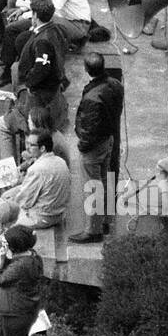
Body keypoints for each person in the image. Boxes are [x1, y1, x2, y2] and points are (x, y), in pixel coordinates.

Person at [69, 52, 124, 243]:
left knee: (92, 186)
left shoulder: (93, 96)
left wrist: (83, 146)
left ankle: (93, 230)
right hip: (109, 139)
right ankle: (105, 220)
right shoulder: (115, 85)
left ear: (86, 69)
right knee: (104, 180)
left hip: (94, 145)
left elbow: (90, 128)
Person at [2, 111, 71, 230]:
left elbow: (25, 201)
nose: (27, 148)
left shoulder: (37, 169)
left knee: (2, 211)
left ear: (43, 148)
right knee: (7, 195)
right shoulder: (59, 161)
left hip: (41, 216)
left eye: (31, 145)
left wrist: (8, 202)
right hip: (58, 212)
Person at [0, 224, 44, 336]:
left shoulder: (18, 268)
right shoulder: (33, 256)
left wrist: (2, 258)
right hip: (25, 307)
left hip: (14, 315)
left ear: (14, 247)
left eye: (6, 244)